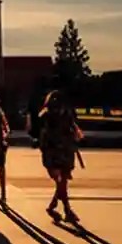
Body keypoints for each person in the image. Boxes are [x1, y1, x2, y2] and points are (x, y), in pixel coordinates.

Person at [37, 90, 84, 223]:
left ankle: (55, 207)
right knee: (61, 183)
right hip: (59, 154)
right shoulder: (53, 117)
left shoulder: (49, 116)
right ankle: (66, 210)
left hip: (60, 154)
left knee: (61, 183)